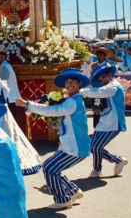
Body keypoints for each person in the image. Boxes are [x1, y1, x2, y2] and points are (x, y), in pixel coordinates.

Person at [16, 68, 91, 209]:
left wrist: (29, 105)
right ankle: (73, 191)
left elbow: (54, 111)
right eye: (67, 82)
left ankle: (63, 199)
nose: (69, 85)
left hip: (76, 146)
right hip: (69, 145)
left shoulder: (73, 101)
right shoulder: (72, 100)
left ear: (79, 84)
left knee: (50, 168)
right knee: (52, 168)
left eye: (72, 82)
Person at [81, 65, 129, 178]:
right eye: (99, 80)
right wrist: (97, 108)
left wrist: (81, 90)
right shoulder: (107, 87)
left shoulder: (114, 87)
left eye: (102, 78)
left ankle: (100, 169)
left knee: (95, 146)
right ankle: (115, 161)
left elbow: (97, 92)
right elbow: (102, 101)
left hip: (113, 123)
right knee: (91, 145)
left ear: (109, 75)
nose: (100, 81)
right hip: (104, 122)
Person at [0, 48, 26, 128]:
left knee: (9, 119)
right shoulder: (5, 65)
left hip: (9, 97)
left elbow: (3, 83)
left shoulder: (4, 66)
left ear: (3, 56)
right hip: (10, 96)